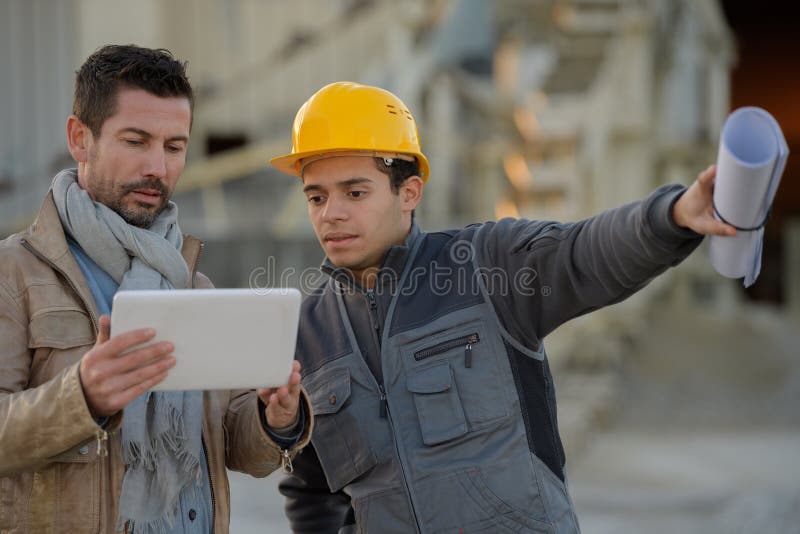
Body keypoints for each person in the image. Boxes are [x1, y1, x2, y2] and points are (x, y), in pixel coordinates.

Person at [269, 81, 736, 533]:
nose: (331, 213)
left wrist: (671, 218)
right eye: (316, 196)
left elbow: (583, 253)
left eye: (355, 192)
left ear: (409, 193)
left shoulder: (486, 265)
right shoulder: (308, 332)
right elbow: (311, 489)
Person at [0, 44, 310, 534]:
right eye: (136, 141)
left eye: (174, 146)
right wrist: (82, 397)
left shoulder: (196, 285)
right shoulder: (13, 273)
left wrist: (276, 417)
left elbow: (239, 450)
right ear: (80, 139)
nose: (158, 169)